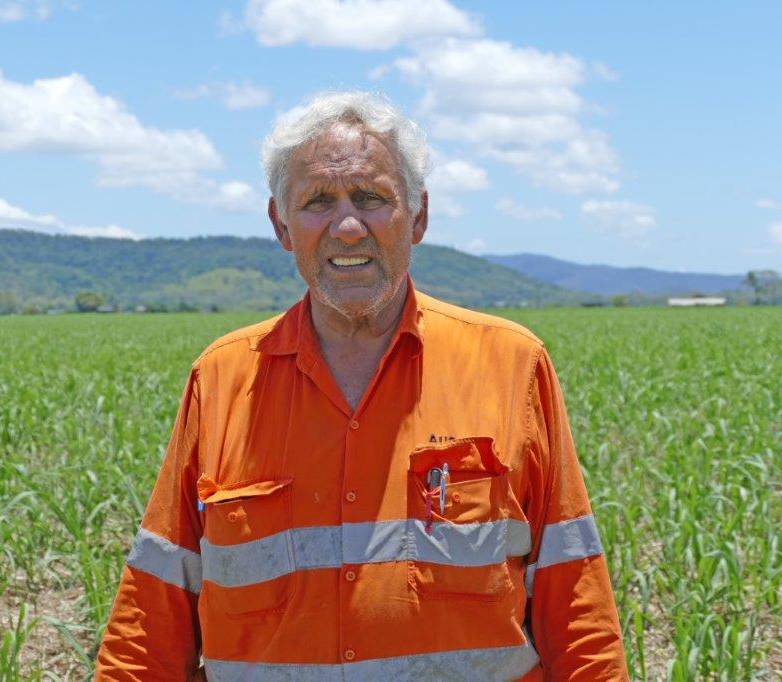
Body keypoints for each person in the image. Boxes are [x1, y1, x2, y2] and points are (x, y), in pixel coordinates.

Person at [95, 91, 627, 680]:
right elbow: (153, 619)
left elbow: (574, 602)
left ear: (418, 217)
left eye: (372, 198)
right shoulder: (222, 378)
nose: (348, 227)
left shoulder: (510, 364)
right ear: (281, 225)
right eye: (318, 201)